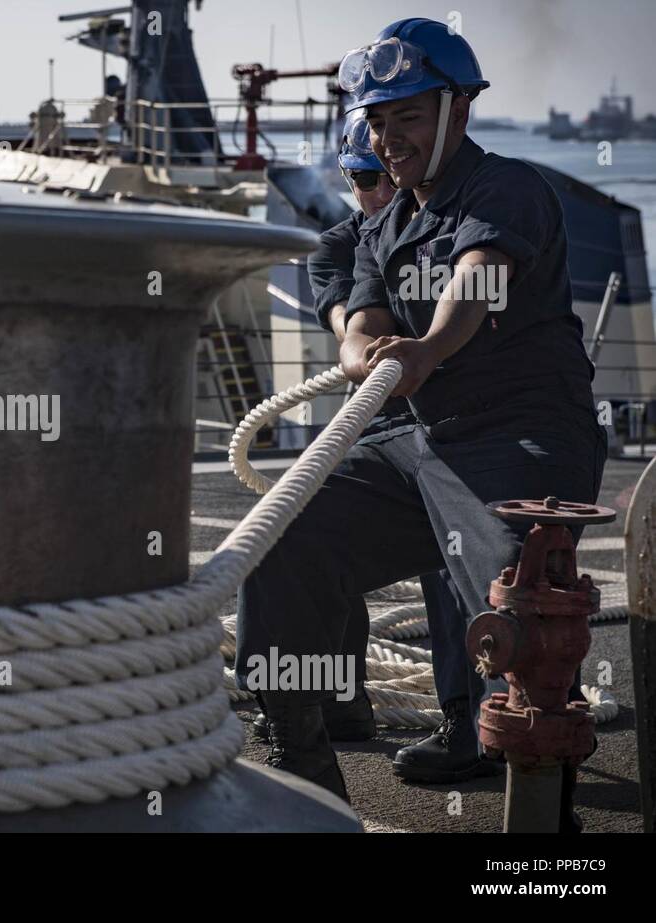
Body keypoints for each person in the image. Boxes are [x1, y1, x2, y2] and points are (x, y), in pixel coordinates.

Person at [235, 18, 606, 810]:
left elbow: (479, 277)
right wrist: (365, 349)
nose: (386, 137)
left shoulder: (507, 187)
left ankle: (544, 822)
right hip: (422, 440)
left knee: (519, 610)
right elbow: (360, 315)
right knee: (280, 540)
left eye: (404, 115)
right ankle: (303, 783)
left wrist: (430, 347)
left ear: (457, 109)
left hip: (523, 437)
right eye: (375, 119)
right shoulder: (386, 222)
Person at [287, 108, 499, 782]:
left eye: (385, 176)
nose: (377, 189)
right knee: (308, 523)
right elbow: (346, 317)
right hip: (381, 419)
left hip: (458, 425)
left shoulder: (446, 226)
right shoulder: (340, 245)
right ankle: (334, 702)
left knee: (455, 547)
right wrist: (366, 340)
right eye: (362, 176)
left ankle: (469, 717)